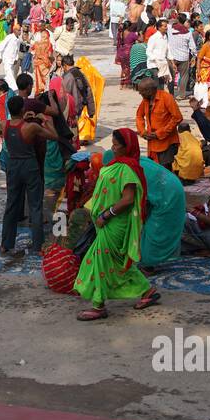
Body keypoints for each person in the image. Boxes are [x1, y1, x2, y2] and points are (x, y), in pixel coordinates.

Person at [73, 128, 160, 320]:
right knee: (115, 263)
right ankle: (147, 291)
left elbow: (128, 199)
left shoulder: (128, 169)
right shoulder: (116, 164)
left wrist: (106, 214)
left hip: (116, 223)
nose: (113, 148)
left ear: (126, 146)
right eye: (112, 143)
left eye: (116, 145)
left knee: (100, 261)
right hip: (106, 222)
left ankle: (98, 305)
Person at [0, 95, 57, 258]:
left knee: (11, 205)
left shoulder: (4, 125)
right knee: (35, 206)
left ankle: (5, 244)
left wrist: (21, 118)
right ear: (23, 109)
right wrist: (44, 120)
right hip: (29, 166)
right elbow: (54, 136)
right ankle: (37, 246)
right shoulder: (31, 127)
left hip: (13, 165)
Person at [137, 152, 186, 268]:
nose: (114, 147)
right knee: (154, 227)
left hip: (167, 195)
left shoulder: (129, 168)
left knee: (156, 230)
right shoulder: (136, 161)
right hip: (170, 189)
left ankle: (148, 263)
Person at [135, 76, 182, 171]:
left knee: (165, 171)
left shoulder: (166, 98)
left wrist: (159, 133)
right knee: (155, 170)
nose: (140, 93)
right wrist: (142, 131)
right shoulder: (145, 101)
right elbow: (139, 116)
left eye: (142, 91)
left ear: (150, 90)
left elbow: (177, 118)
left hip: (167, 142)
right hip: (152, 144)